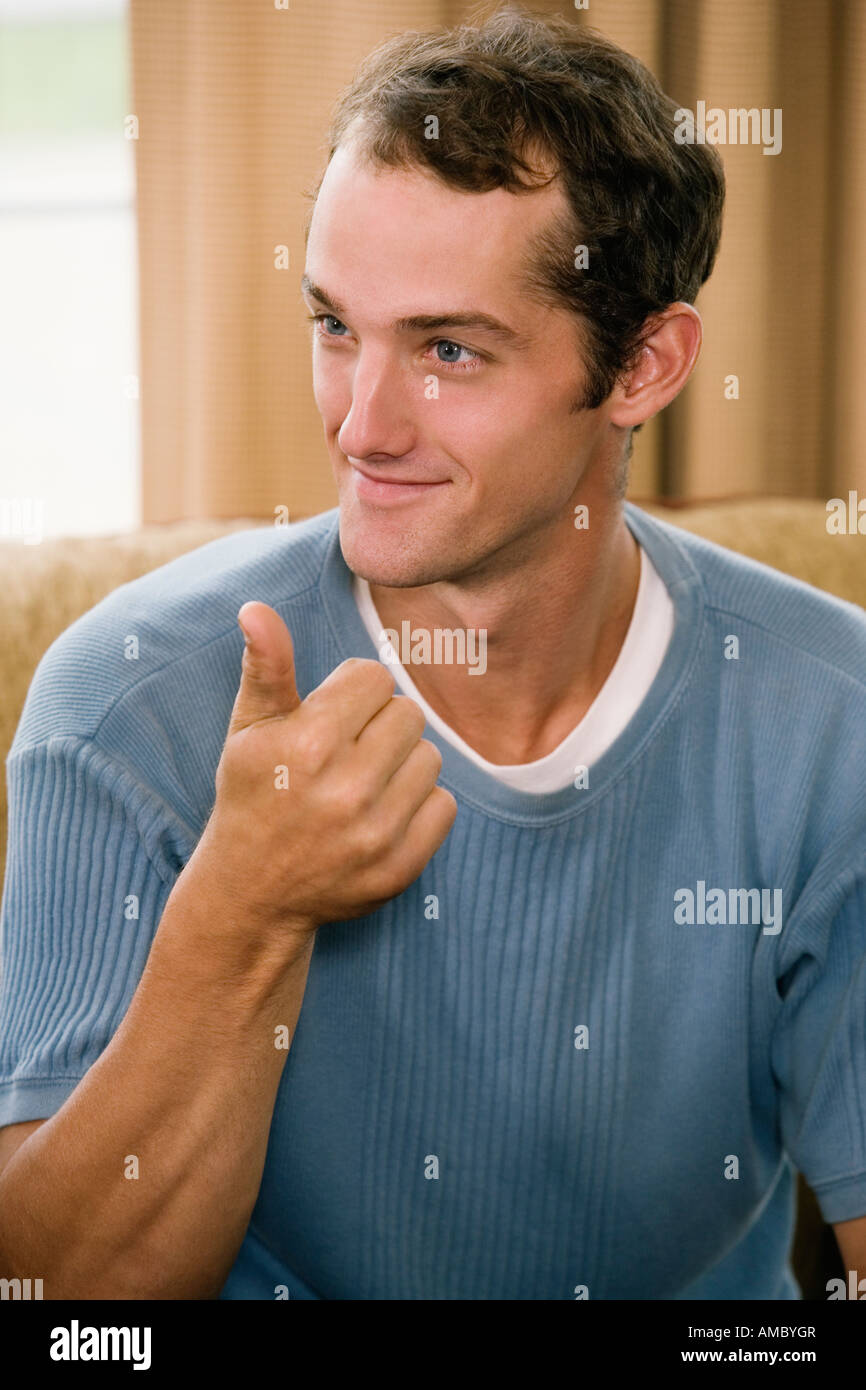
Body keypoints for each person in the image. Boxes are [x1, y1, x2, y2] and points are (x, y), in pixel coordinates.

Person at [1, 6, 865, 1300]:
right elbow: (61, 1314)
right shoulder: (126, 698)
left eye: (447, 350)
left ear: (642, 364)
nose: (360, 423)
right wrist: (239, 912)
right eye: (336, 324)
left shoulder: (828, 718)